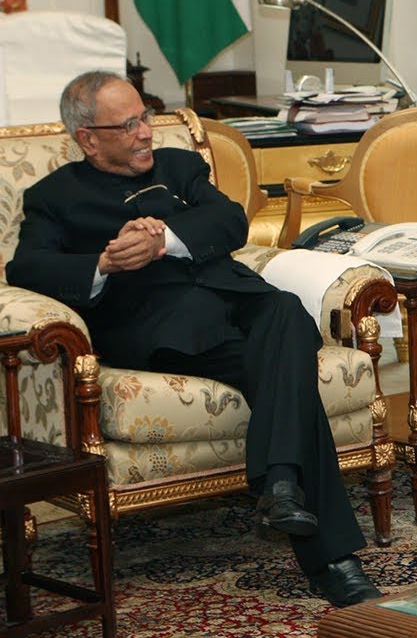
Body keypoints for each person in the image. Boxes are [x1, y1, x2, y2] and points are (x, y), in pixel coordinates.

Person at [6, 71, 383, 608]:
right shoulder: (53, 197)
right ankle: (328, 553)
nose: (144, 134)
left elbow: (229, 220)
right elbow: (28, 268)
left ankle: (281, 487)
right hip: (162, 327)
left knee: (285, 311)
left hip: (240, 302)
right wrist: (104, 262)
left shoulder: (180, 166)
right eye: (128, 124)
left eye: (147, 118)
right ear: (88, 137)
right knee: (288, 368)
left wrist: (167, 241)